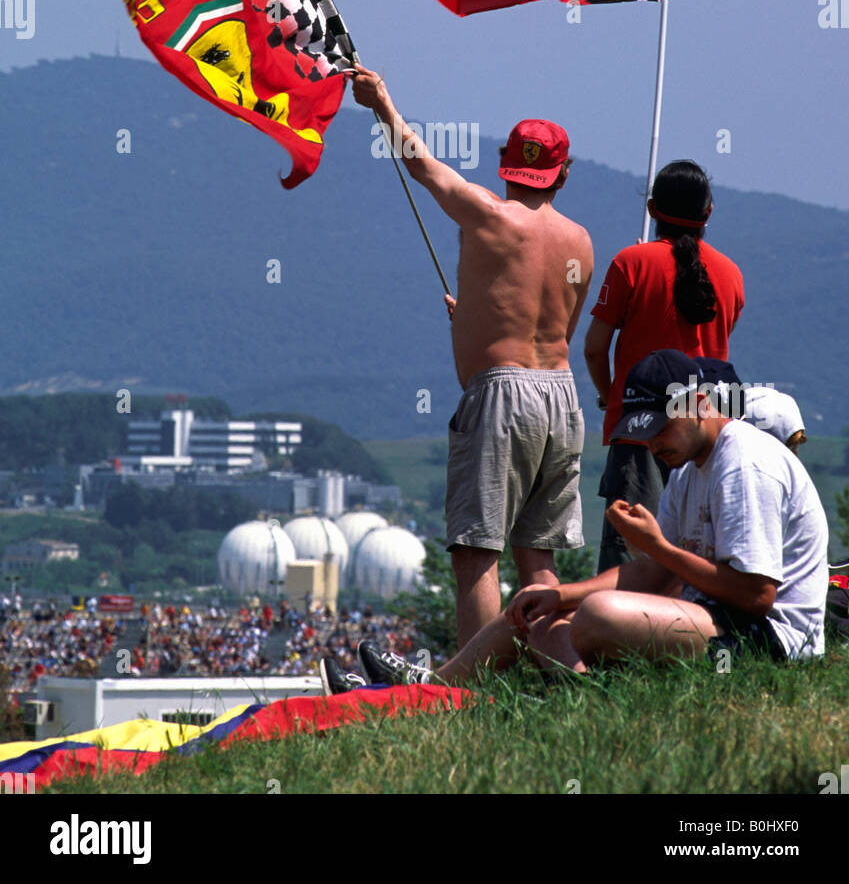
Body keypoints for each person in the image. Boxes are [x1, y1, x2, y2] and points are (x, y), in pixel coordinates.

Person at [345, 350, 829, 690]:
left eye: (660, 427)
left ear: (700, 405)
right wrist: (559, 594)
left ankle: (572, 688)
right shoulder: (687, 470)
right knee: (535, 617)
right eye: (642, 433)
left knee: (599, 614)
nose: (652, 444)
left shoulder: (743, 461)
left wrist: (657, 547)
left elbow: (757, 595)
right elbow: (651, 574)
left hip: (766, 640)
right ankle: (438, 685)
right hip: (718, 620)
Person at [350, 65, 593, 646]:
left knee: (476, 549)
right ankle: (551, 672)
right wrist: (483, 318)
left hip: (503, 397)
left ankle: (479, 685)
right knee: (538, 557)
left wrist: (382, 103)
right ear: (561, 174)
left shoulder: (489, 214)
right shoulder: (581, 241)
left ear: (509, 165)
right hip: (561, 395)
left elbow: (422, 165)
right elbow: (558, 325)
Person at [584, 160, 744, 572]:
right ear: (708, 213)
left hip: (640, 432)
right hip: (706, 436)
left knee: (630, 557)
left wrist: (610, 397)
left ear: (652, 209)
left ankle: (621, 637)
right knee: (698, 555)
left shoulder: (630, 263)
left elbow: (594, 349)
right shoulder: (731, 275)